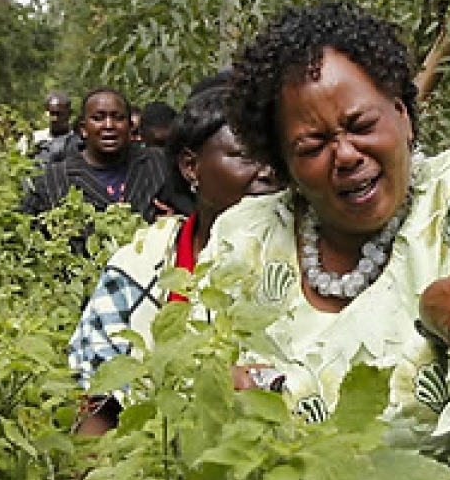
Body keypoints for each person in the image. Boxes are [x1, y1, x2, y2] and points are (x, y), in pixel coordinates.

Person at [197, 2, 450, 480]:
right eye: (312, 144)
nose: (345, 154)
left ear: (403, 114)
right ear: (284, 164)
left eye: (360, 124)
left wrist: (430, 316)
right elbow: (195, 400)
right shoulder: (244, 237)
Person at [68, 78, 280, 434]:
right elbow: (97, 401)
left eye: (278, 157)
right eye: (247, 156)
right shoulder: (142, 263)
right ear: (190, 167)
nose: (269, 172)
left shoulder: (310, 261)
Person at [20, 86, 173, 224]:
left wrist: (173, 223)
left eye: (118, 118)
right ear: (83, 129)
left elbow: (190, 213)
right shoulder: (53, 180)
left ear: (130, 126)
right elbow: (25, 231)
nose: (109, 125)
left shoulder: (159, 164)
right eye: (98, 118)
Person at [25, 92, 82, 165]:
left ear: (69, 114)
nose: (55, 118)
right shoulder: (34, 139)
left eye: (59, 114)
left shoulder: (78, 141)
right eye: (52, 113)